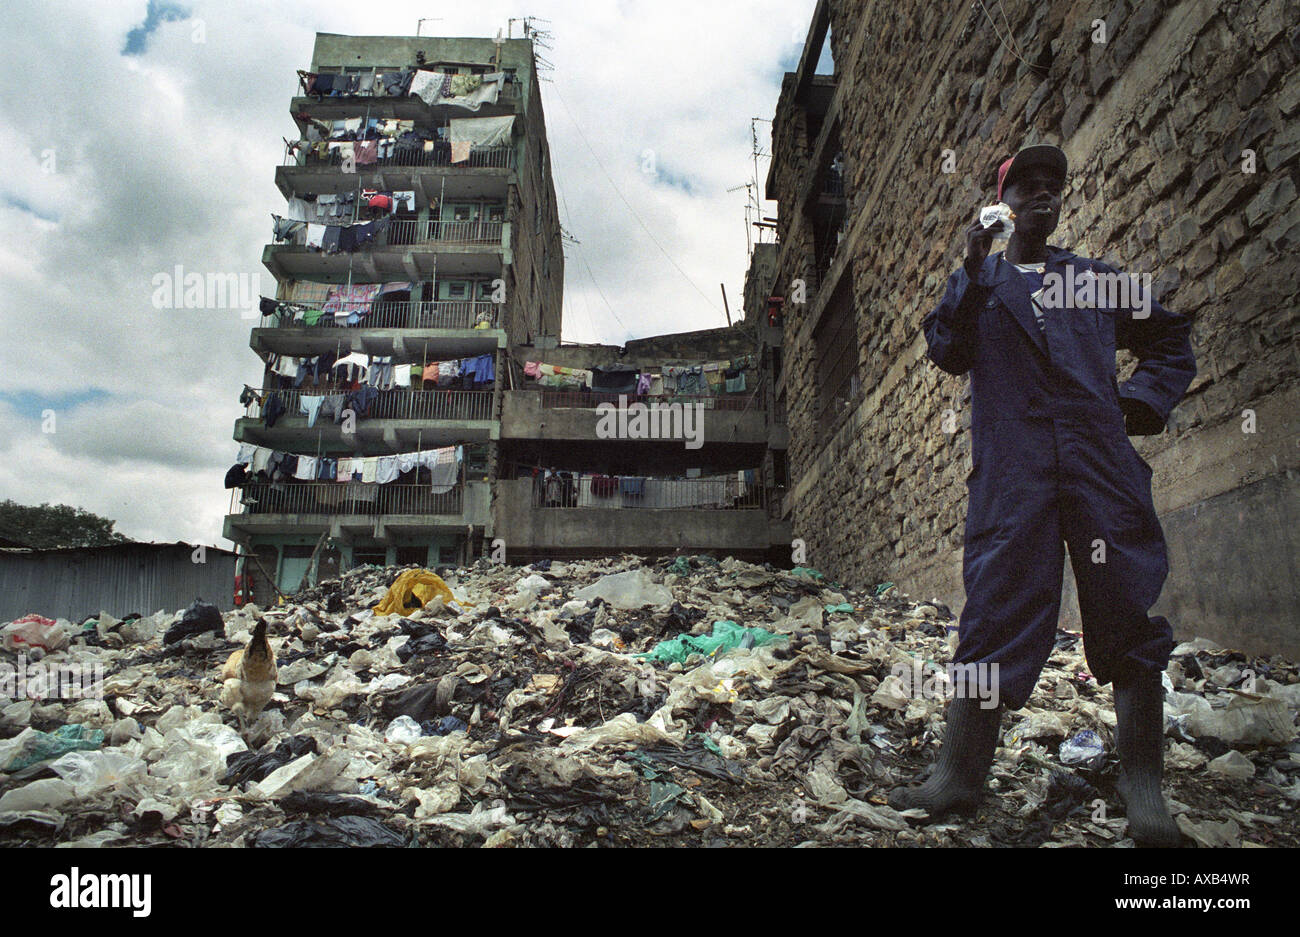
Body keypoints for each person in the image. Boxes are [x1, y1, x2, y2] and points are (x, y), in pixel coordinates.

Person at [894, 144, 1196, 846]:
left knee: (1129, 612)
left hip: (1101, 472)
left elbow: (1170, 337)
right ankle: (958, 776)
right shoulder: (982, 282)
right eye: (1026, 186)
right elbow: (946, 350)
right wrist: (971, 271)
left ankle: (1143, 789)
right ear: (1002, 201)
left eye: (1053, 185)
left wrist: (1139, 401)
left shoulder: (1092, 281)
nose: (1043, 195)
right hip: (1013, 479)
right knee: (993, 614)